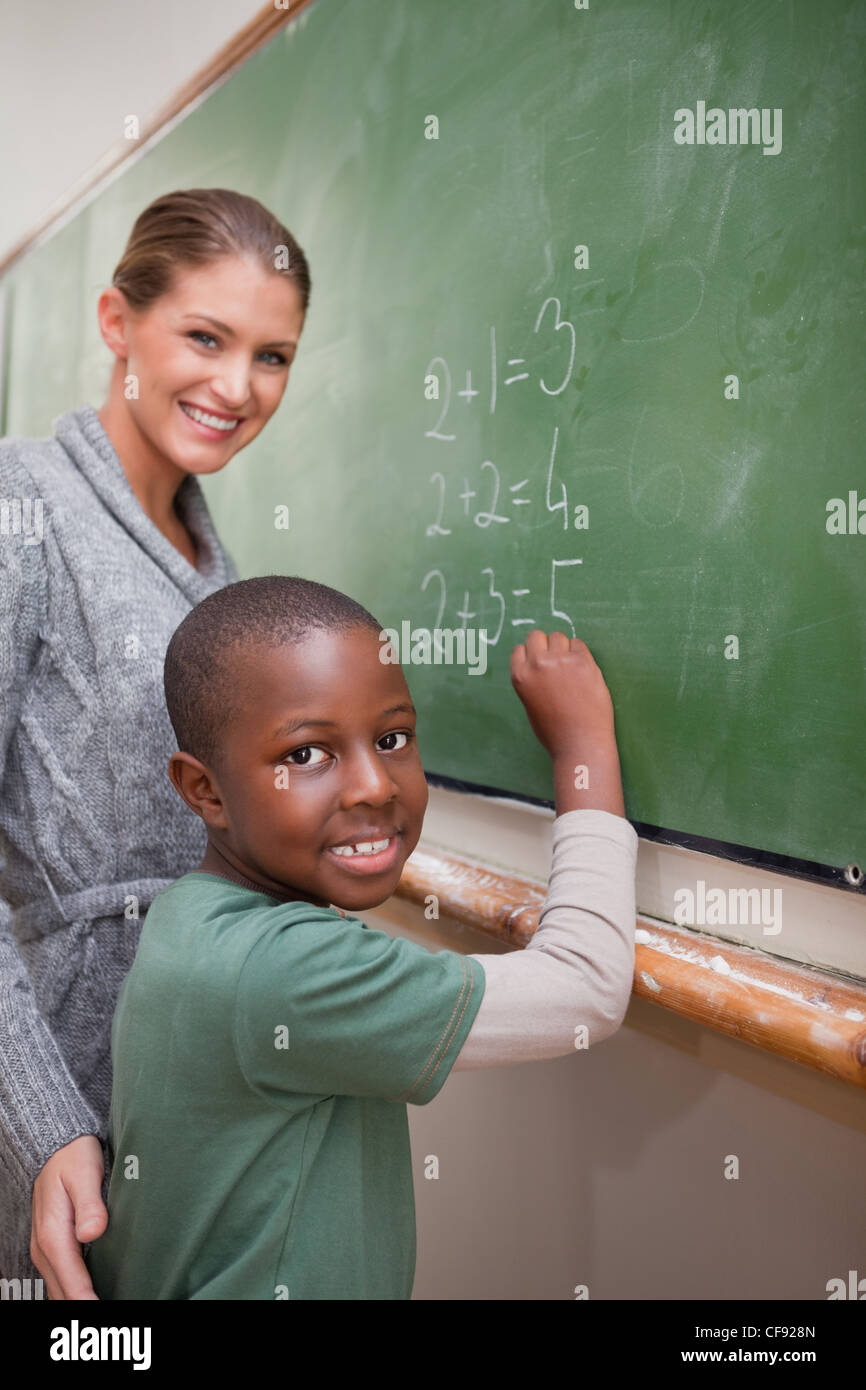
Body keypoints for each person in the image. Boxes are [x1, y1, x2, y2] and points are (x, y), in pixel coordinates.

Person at [85, 574, 638, 1300]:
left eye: (393, 738)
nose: (375, 785)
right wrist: (582, 750)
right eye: (307, 755)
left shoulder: (188, 917)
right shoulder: (288, 970)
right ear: (206, 792)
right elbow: (586, 992)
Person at [0, 188, 311, 1297]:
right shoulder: (19, 502)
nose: (237, 387)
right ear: (115, 320)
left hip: (198, 1111)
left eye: (272, 355)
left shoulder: (219, 575)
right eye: (204, 336)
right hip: (55, 1111)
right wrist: (40, 1130)